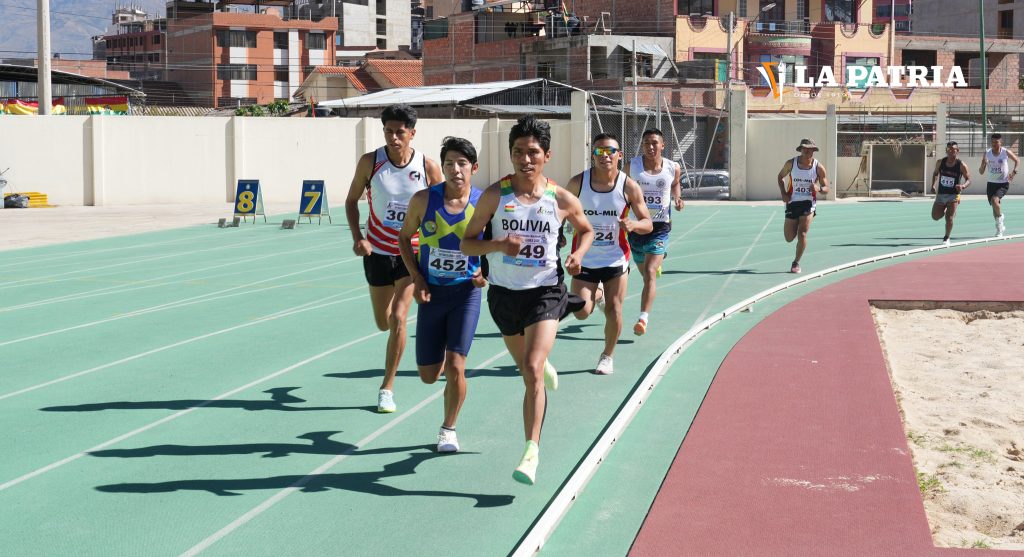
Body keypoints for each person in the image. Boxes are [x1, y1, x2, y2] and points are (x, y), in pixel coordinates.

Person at [461, 115, 593, 485]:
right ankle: (542, 367)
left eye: (533, 152)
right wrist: (498, 246)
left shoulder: (561, 199)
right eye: (518, 152)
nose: (525, 159)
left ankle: (531, 451)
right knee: (528, 368)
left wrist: (579, 254)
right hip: (504, 295)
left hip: (546, 291)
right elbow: (467, 242)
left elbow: (587, 230)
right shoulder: (494, 195)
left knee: (532, 369)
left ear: (546, 155)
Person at [345, 104, 443, 413]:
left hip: (411, 254)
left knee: (400, 317)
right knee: (383, 322)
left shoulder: (427, 167)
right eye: (388, 131)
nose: (393, 137)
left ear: (412, 133)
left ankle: (387, 387)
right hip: (377, 251)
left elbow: (442, 209)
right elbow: (350, 201)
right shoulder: (370, 162)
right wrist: (358, 238)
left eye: (400, 132)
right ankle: (395, 340)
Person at [398, 137, 487, 453]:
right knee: (427, 375)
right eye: (449, 163)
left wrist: (483, 273)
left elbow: (495, 247)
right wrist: (417, 277)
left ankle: (448, 429)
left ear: (473, 168)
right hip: (431, 295)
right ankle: (447, 385)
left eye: (462, 163)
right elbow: (404, 238)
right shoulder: (423, 200)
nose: (455, 169)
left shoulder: (483, 204)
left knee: (456, 367)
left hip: (465, 295)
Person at [564, 133, 652, 375]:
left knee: (615, 310)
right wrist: (560, 233)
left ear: (619, 155)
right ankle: (597, 295)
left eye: (610, 151)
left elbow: (648, 223)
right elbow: (557, 212)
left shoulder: (628, 186)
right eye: (599, 151)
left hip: (615, 258)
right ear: (592, 155)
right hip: (585, 257)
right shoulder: (577, 183)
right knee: (581, 312)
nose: (604, 156)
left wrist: (634, 225)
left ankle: (607, 356)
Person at [623, 128, 683, 336]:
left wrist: (677, 198)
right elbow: (620, 190)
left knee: (649, 273)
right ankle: (655, 264)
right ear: (642, 145)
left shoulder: (673, 167)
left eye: (654, 143)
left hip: (660, 227)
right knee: (645, 272)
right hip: (637, 227)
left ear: (662, 145)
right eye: (647, 143)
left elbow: (676, 184)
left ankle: (643, 319)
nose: (650, 147)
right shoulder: (632, 166)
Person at [777, 138, 830, 274]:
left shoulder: (818, 167)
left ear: (814, 151)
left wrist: (818, 188)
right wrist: (783, 193)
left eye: (810, 149)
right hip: (792, 202)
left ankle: (796, 262)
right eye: (805, 149)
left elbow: (826, 189)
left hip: (808, 203)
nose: (807, 152)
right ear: (800, 150)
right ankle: (794, 233)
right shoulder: (791, 163)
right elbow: (780, 177)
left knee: (803, 233)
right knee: (789, 238)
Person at [930, 141, 971, 246]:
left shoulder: (961, 165)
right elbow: (935, 173)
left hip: (954, 195)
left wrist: (963, 186)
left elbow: (969, 179)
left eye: (953, 149)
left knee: (949, 218)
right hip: (941, 194)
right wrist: (933, 185)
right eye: (949, 149)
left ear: (957, 151)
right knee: (935, 216)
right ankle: (948, 211)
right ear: (946, 150)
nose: (951, 151)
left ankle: (946, 237)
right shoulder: (940, 162)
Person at [979, 133, 1019, 237]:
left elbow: (1017, 160)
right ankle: (999, 228)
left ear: (1000, 142)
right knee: (994, 207)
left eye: (996, 142)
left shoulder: (1005, 152)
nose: (994, 144)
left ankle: (1001, 218)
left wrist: (1014, 171)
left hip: (1003, 183)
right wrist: (983, 163)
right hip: (991, 183)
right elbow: (981, 171)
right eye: (992, 142)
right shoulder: (987, 153)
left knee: (995, 201)